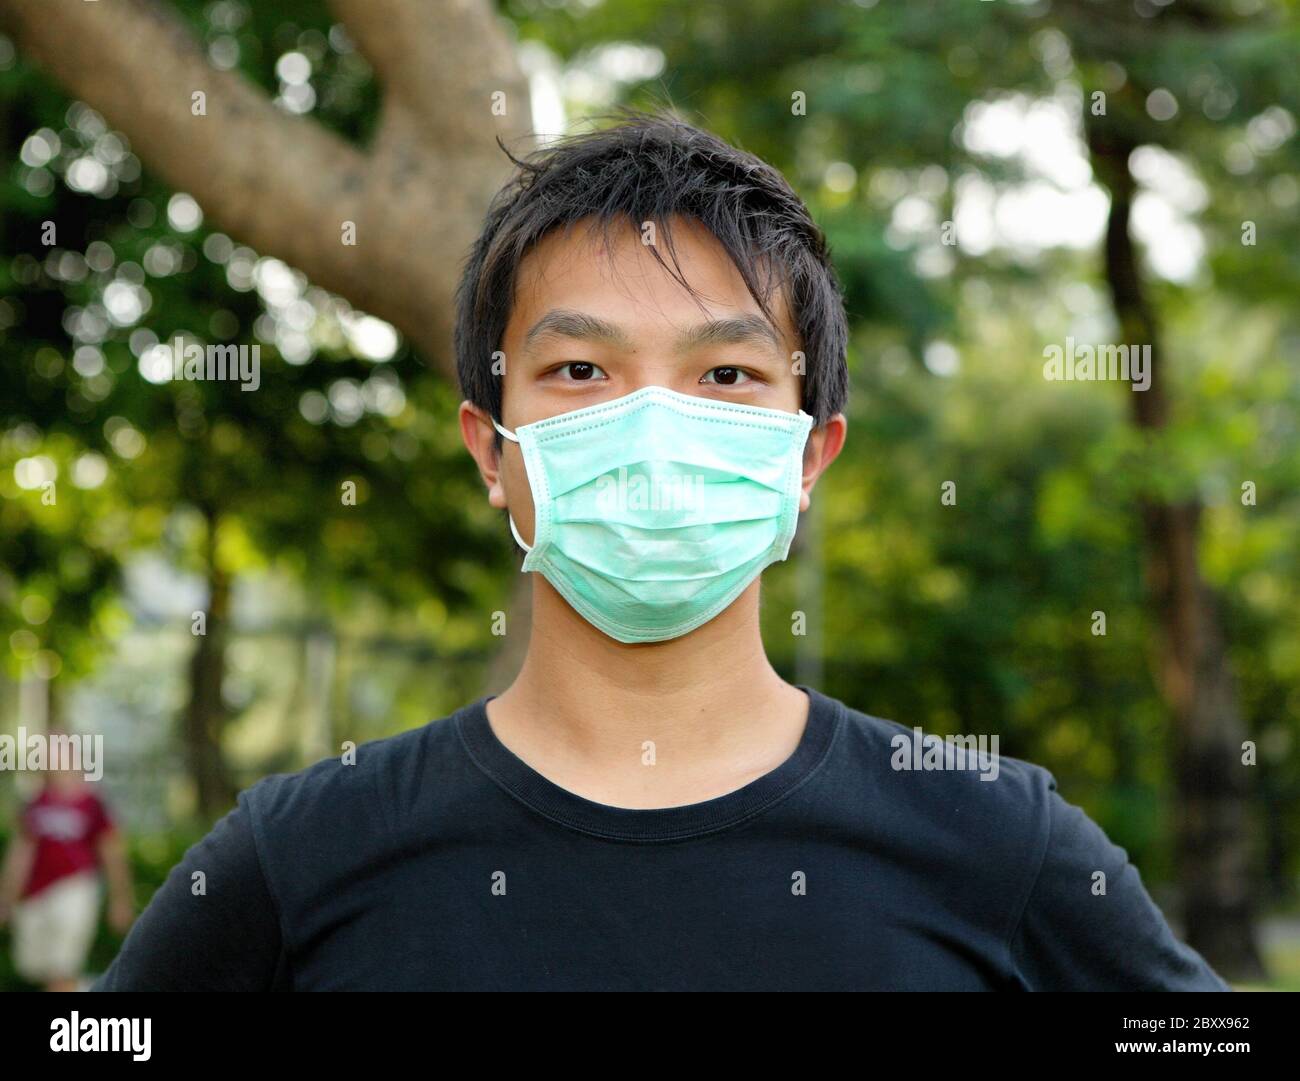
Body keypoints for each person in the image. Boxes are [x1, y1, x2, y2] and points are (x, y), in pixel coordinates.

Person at [90, 110, 1230, 991]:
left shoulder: (996, 841)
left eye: (725, 374)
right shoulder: (303, 856)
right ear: (491, 450)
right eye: (579, 370)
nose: (651, 424)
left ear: (806, 456)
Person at [0, 726, 134, 991]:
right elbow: (21, 854)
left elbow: (112, 854)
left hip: (76, 887)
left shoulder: (92, 803)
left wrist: (121, 899)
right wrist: (6, 897)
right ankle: (86, 987)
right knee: (35, 966)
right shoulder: (36, 802)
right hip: (36, 894)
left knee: (61, 967)